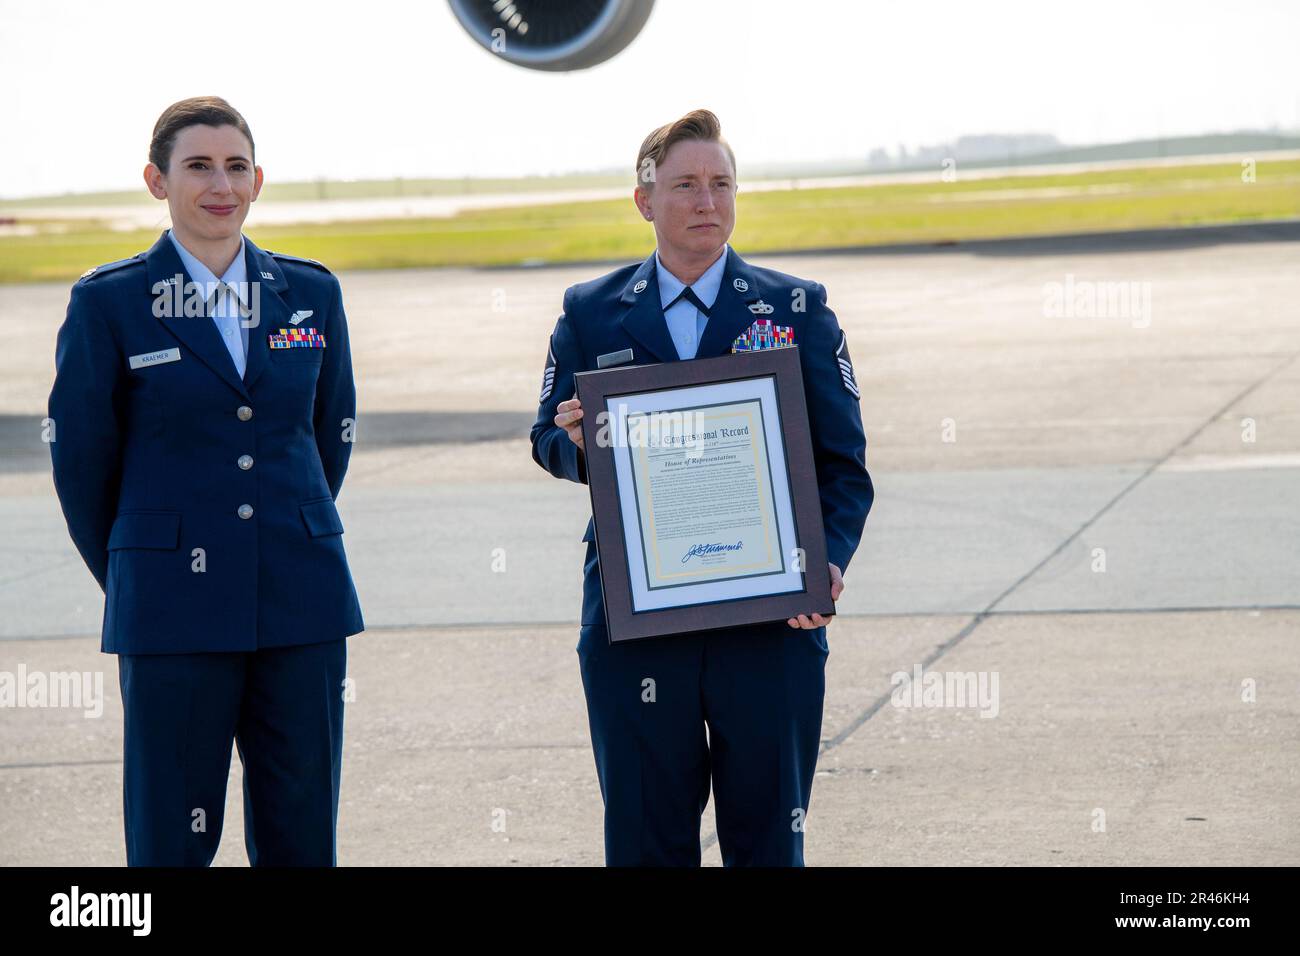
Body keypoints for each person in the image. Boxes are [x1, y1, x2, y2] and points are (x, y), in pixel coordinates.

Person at [529, 109, 873, 866]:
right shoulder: (590, 310)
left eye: (721, 183)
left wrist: (828, 560)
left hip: (771, 619)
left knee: (766, 842)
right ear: (645, 200)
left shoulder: (795, 308)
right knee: (645, 840)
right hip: (637, 616)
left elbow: (843, 466)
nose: (707, 201)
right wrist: (580, 443)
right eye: (684, 184)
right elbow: (546, 440)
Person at [47, 96, 364, 866]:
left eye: (236, 167)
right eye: (198, 166)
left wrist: (273, 540)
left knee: (302, 832)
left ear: (258, 181)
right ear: (157, 181)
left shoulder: (310, 293)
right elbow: (84, 468)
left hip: (300, 599)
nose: (220, 185)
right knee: (170, 838)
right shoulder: (110, 302)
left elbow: (329, 436)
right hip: (171, 612)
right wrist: (140, 567)